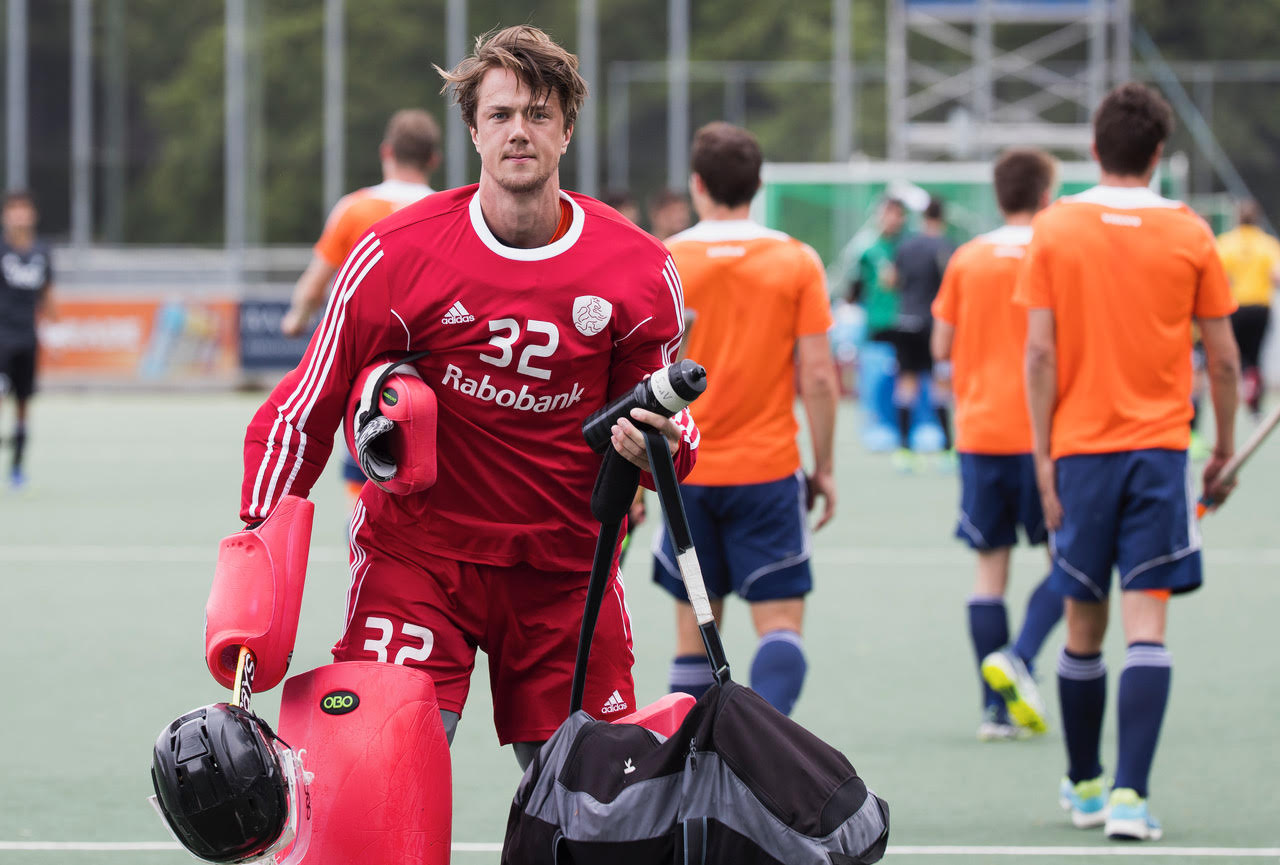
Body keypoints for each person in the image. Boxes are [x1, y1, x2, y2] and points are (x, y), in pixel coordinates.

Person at [237, 25, 698, 770]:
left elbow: (667, 428)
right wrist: (254, 560)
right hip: (419, 564)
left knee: (593, 817)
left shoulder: (639, 271)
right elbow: (301, 410)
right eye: (502, 114)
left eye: (539, 114)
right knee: (374, 778)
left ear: (567, 130)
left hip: (564, 571)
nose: (521, 131)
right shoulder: (395, 255)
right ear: (473, 131)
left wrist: (665, 448)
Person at [1015, 82, 1240, 840]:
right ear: (1158, 154)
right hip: (1159, 450)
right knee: (1148, 627)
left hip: (1080, 452)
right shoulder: (1191, 231)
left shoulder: (1054, 228)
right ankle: (1129, 798)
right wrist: (1227, 450)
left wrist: (1044, 458)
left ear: (1093, 147)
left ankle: (1082, 787)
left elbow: (1039, 352)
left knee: (1084, 627)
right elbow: (1225, 360)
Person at [653, 122, 838, 717]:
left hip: (687, 472)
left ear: (697, 184)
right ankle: (764, 765)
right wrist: (825, 466)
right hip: (769, 471)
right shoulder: (796, 261)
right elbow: (816, 375)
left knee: (692, 639)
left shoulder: (667, 258)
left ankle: (694, 788)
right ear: (759, 185)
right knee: (781, 627)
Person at [931, 150, 1063, 741]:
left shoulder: (968, 257)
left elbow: (940, 344)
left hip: (980, 432)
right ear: (1045, 194)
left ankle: (994, 711)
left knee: (990, 574)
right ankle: (1022, 656)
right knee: (1072, 564)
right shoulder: (1055, 253)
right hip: (1048, 436)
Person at [279, 109, 441, 503]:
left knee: (367, 471)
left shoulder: (355, 209)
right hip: (432, 367)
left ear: (386, 151)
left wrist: (295, 319)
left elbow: (315, 284)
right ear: (433, 159)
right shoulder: (447, 212)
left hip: (368, 369)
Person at [892, 196, 954, 470]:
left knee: (907, 383)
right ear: (943, 217)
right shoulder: (946, 247)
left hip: (905, 321)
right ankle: (946, 450)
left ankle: (905, 451)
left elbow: (892, 280)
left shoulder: (906, 246)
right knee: (940, 384)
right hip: (934, 324)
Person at [0, 190, 55, 490]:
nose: (19, 215)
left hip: (27, 339)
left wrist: (56, 330)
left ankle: (17, 467)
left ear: (32, 215)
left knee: (22, 405)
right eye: (13, 210)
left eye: (24, 209)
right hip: (1, 337)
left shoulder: (42, 252)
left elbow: (47, 293)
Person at [1216, 199, 1280, 419]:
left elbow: (1220, 278)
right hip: (1260, 307)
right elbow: (1276, 277)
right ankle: (1255, 404)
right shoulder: (1268, 244)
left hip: (1235, 307)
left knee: (1235, 355)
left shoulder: (1225, 242)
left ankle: (1236, 395)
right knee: (1256, 356)